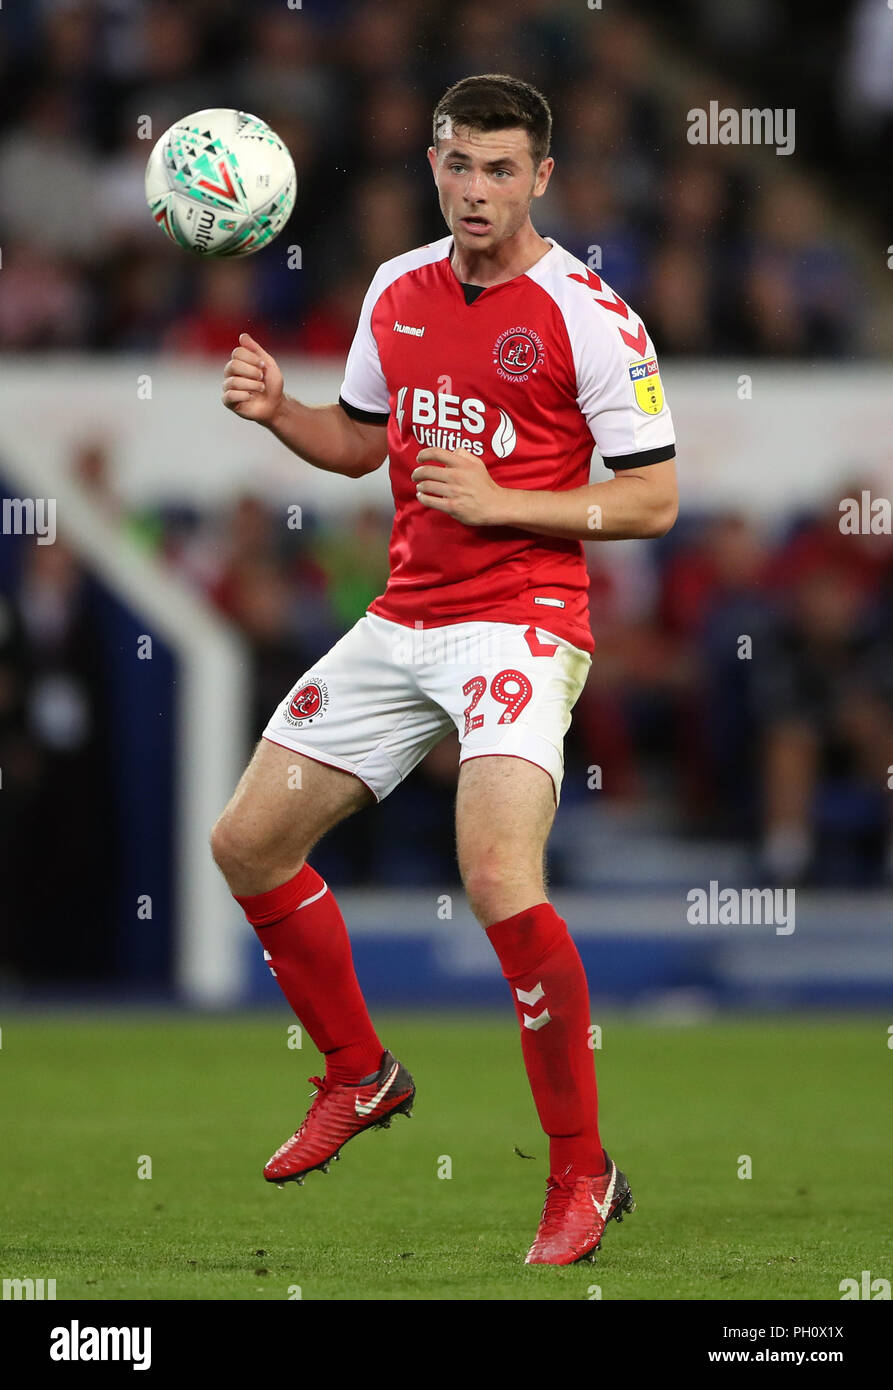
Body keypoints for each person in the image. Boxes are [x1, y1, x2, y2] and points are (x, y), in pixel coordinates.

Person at [211, 73, 677, 1265]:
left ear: (541, 179)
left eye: (500, 170)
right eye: (459, 166)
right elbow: (364, 443)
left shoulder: (588, 313)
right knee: (245, 842)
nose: (477, 191)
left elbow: (652, 496)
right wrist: (280, 411)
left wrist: (511, 501)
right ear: (433, 165)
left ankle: (581, 1171)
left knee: (492, 873)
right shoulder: (395, 288)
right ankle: (358, 1074)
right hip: (406, 612)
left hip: (519, 620)